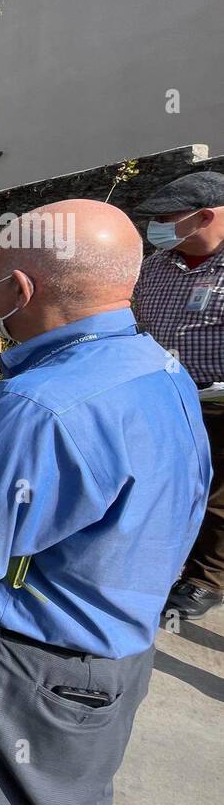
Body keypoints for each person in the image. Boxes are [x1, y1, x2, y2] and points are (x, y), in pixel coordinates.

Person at [0, 200, 209, 805]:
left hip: (20, 667)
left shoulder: (33, 407)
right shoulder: (165, 372)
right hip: (116, 658)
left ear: (21, 289)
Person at [132, 170, 224, 622]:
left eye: (167, 218)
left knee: (219, 496)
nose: (157, 228)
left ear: (205, 217)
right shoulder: (156, 266)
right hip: (165, 398)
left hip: (219, 405)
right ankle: (172, 562)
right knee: (172, 487)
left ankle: (207, 579)